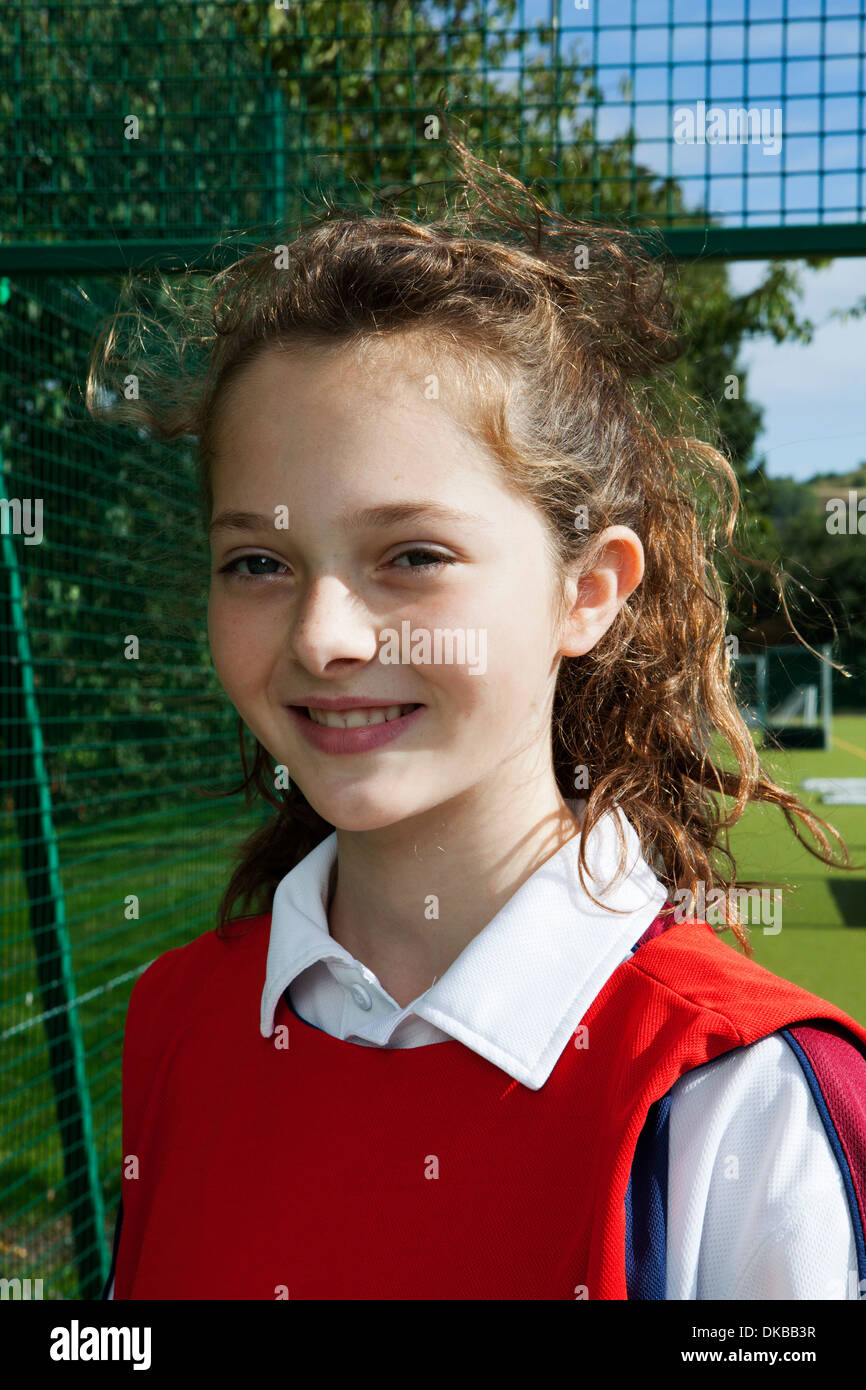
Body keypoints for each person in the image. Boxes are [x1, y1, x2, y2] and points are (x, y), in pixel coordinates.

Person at [91, 132, 866, 1300]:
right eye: (257, 561)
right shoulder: (175, 1023)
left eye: (411, 554)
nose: (324, 636)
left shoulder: (737, 1099)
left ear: (586, 591)